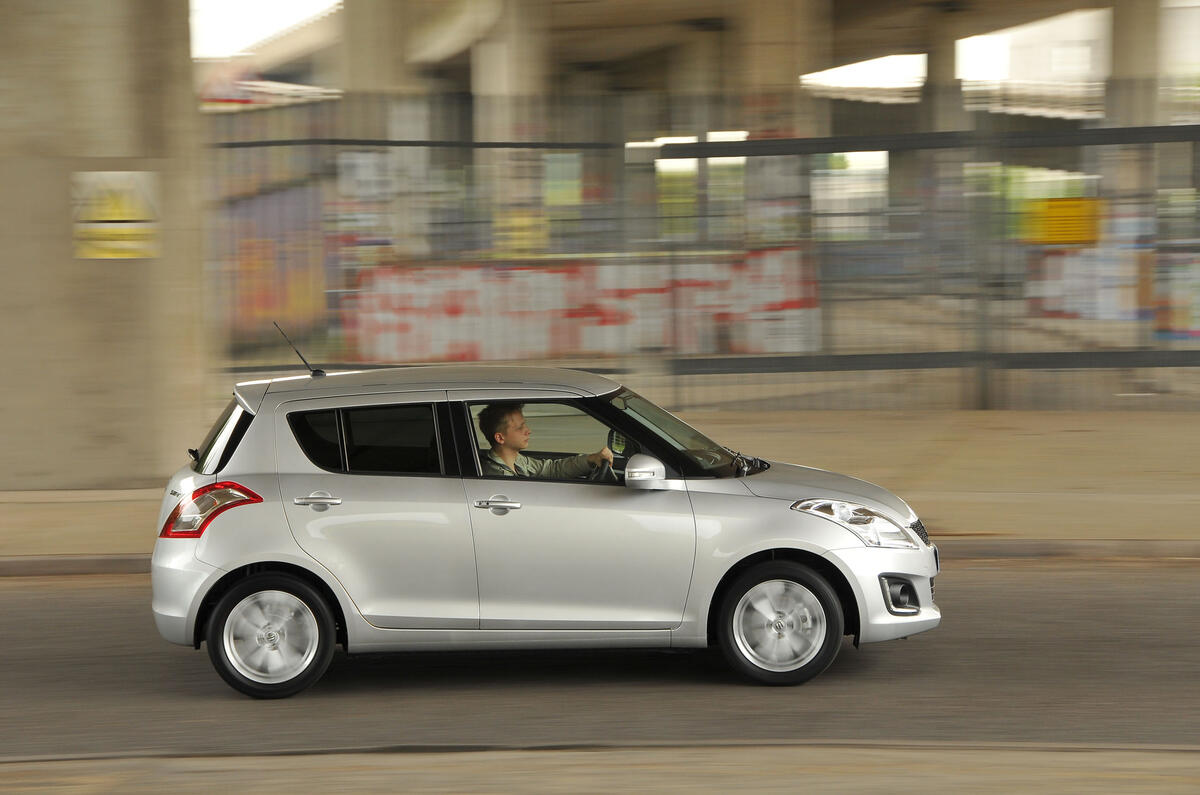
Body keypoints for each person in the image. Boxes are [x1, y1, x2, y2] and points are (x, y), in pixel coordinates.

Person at [478, 402, 613, 479]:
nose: (528, 431)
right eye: (520, 427)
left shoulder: (517, 461)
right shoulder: (498, 476)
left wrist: (591, 459)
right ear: (500, 438)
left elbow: (551, 469)